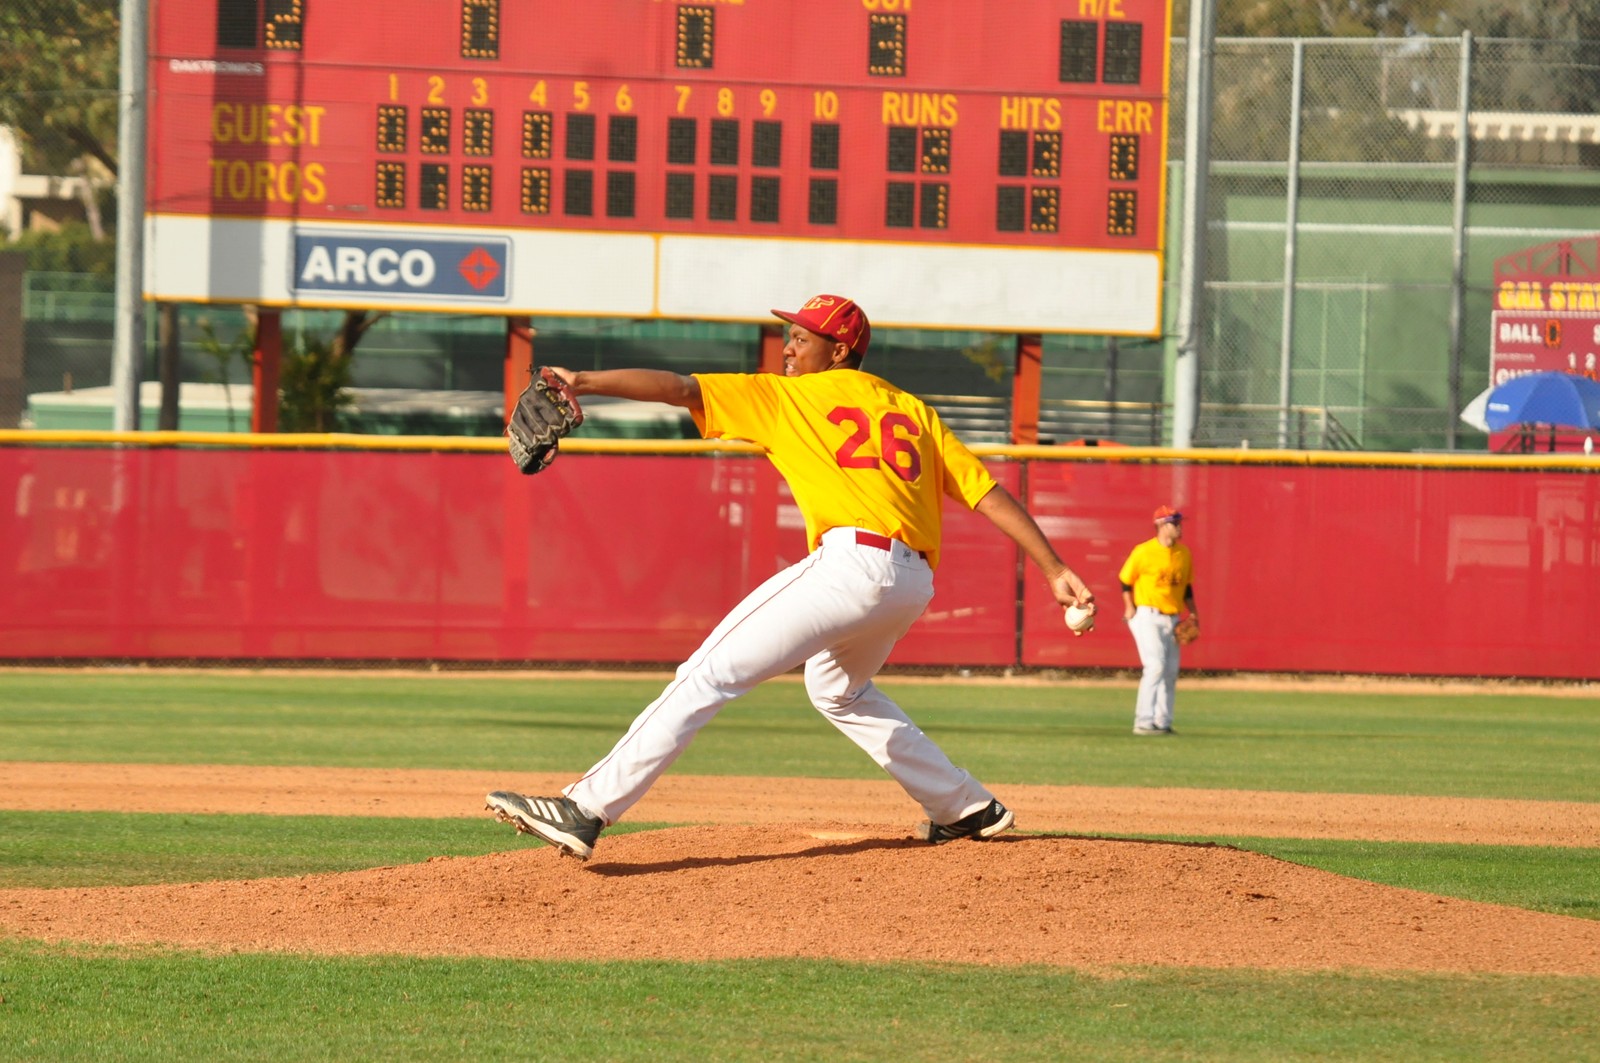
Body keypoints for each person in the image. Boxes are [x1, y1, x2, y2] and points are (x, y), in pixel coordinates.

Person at [486, 294, 1096, 860]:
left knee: (707, 672)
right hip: (910, 582)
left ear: (839, 351)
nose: (789, 349)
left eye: (803, 339)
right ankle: (963, 806)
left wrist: (581, 379)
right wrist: (1055, 568)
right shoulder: (913, 411)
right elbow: (985, 493)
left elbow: (678, 387)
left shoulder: (790, 396)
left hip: (851, 565)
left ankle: (584, 808)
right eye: (788, 336)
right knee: (839, 689)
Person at [1118, 504, 1198, 736]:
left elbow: (1186, 588)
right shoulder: (1143, 551)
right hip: (1147, 616)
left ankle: (1163, 722)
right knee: (1155, 666)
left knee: (1170, 671)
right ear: (1161, 525)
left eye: (1179, 522)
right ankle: (1143, 721)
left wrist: (1193, 613)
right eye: (1175, 523)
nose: (1179, 527)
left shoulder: (1184, 554)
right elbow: (1125, 580)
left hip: (1172, 618)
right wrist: (1128, 606)